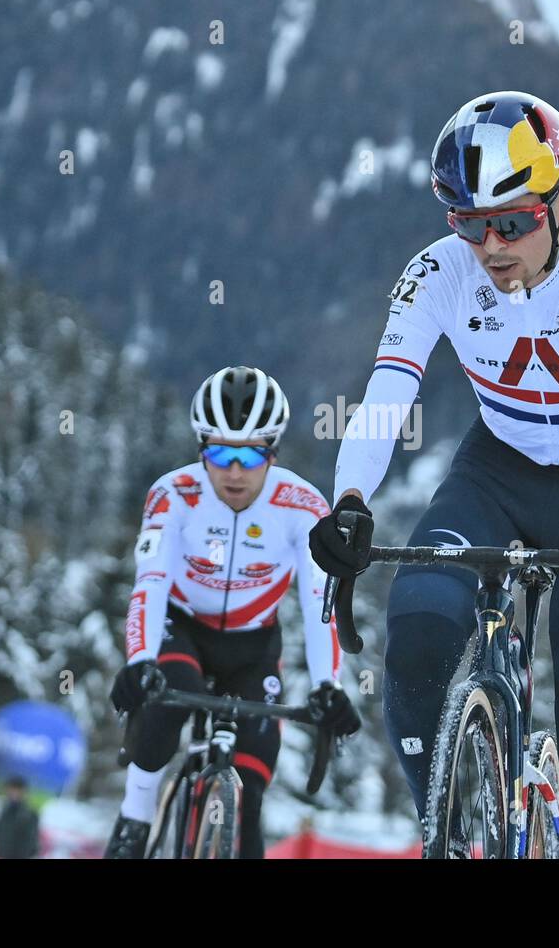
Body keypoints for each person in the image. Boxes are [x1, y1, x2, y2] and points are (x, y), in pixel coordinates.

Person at [309, 91, 559, 858]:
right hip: (495, 477)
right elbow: (385, 396)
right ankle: (445, 831)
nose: (492, 245)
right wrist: (347, 501)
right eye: (469, 224)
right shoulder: (438, 273)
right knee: (414, 634)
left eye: (512, 221)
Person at [105, 365, 362, 859]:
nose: (236, 471)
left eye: (252, 454)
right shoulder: (172, 494)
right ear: (201, 448)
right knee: (166, 699)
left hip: (253, 646)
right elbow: (150, 583)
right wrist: (139, 662)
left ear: (273, 452)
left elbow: (317, 601)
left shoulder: (302, 504)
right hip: (180, 629)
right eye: (221, 453)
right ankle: (136, 816)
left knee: (249, 795)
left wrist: (327, 685)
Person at [0, 775, 40, 859]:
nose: (14, 793)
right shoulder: (2, 811)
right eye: (11, 789)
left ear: (24, 792)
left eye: (17, 790)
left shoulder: (30, 814)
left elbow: (31, 842)